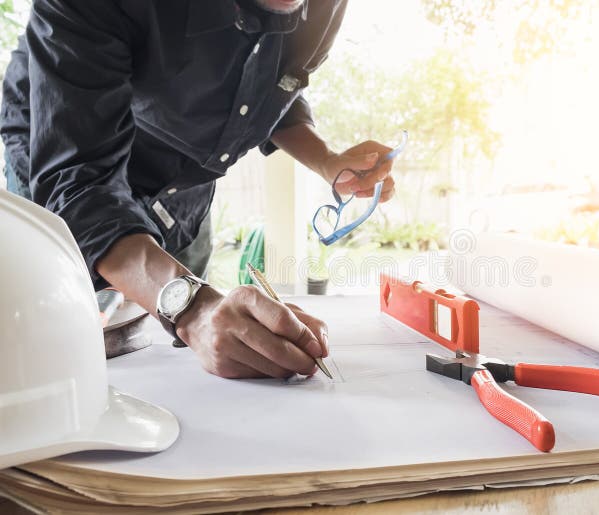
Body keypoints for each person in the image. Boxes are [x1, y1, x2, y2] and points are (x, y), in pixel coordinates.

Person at [1, 0, 397, 379]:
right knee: (58, 346)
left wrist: (326, 160)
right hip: (63, 164)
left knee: (189, 350)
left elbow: (272, 84)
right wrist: (192, 308)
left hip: (185, 186)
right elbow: (80, 183)